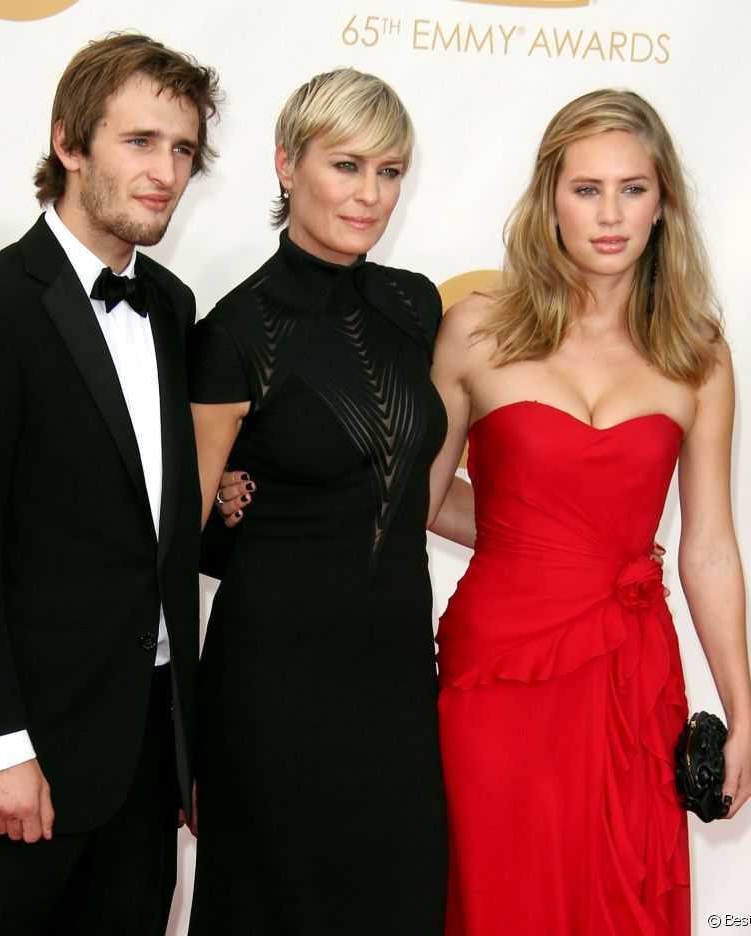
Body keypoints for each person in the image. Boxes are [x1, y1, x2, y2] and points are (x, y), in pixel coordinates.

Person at [0, 34, 220, 935]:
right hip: (21, 769)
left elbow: (149, 526)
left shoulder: (171, 305)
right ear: (69, 144)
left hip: (141, 772)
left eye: (184, 150)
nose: (166, 171)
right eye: (141, 141)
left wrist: (184, 746)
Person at [428, 89, 751, 934]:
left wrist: (742, 710)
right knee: (500, 900)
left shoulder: (697, 355)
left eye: (633, 189)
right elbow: (417, 502)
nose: (610, 215)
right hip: (495, 671)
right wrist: (523, 537)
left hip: (628, 678)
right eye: (586, 189)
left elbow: (710, 548)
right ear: (549, 200)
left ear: (663, 202)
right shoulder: (476, 330)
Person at [187, 68, 448, 934]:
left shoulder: (415, 304)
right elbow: (172, 544)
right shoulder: (232, 335)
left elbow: (414, 481)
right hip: (273, 692)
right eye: (347, 166)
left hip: (401, 683)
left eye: (390, 171)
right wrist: (173, 730)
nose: (371, 194)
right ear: (286, 165)